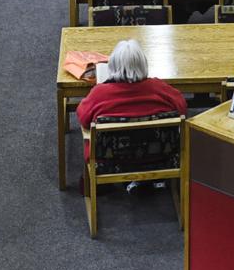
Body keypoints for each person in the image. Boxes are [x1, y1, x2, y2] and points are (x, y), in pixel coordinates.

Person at [76, 39, 188, 179]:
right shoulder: (160, 89)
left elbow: (83, 118)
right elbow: (182, 108)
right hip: (160, 157)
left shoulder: (99, 94)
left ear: (113, 66)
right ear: (143, 64)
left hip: (109, 162)